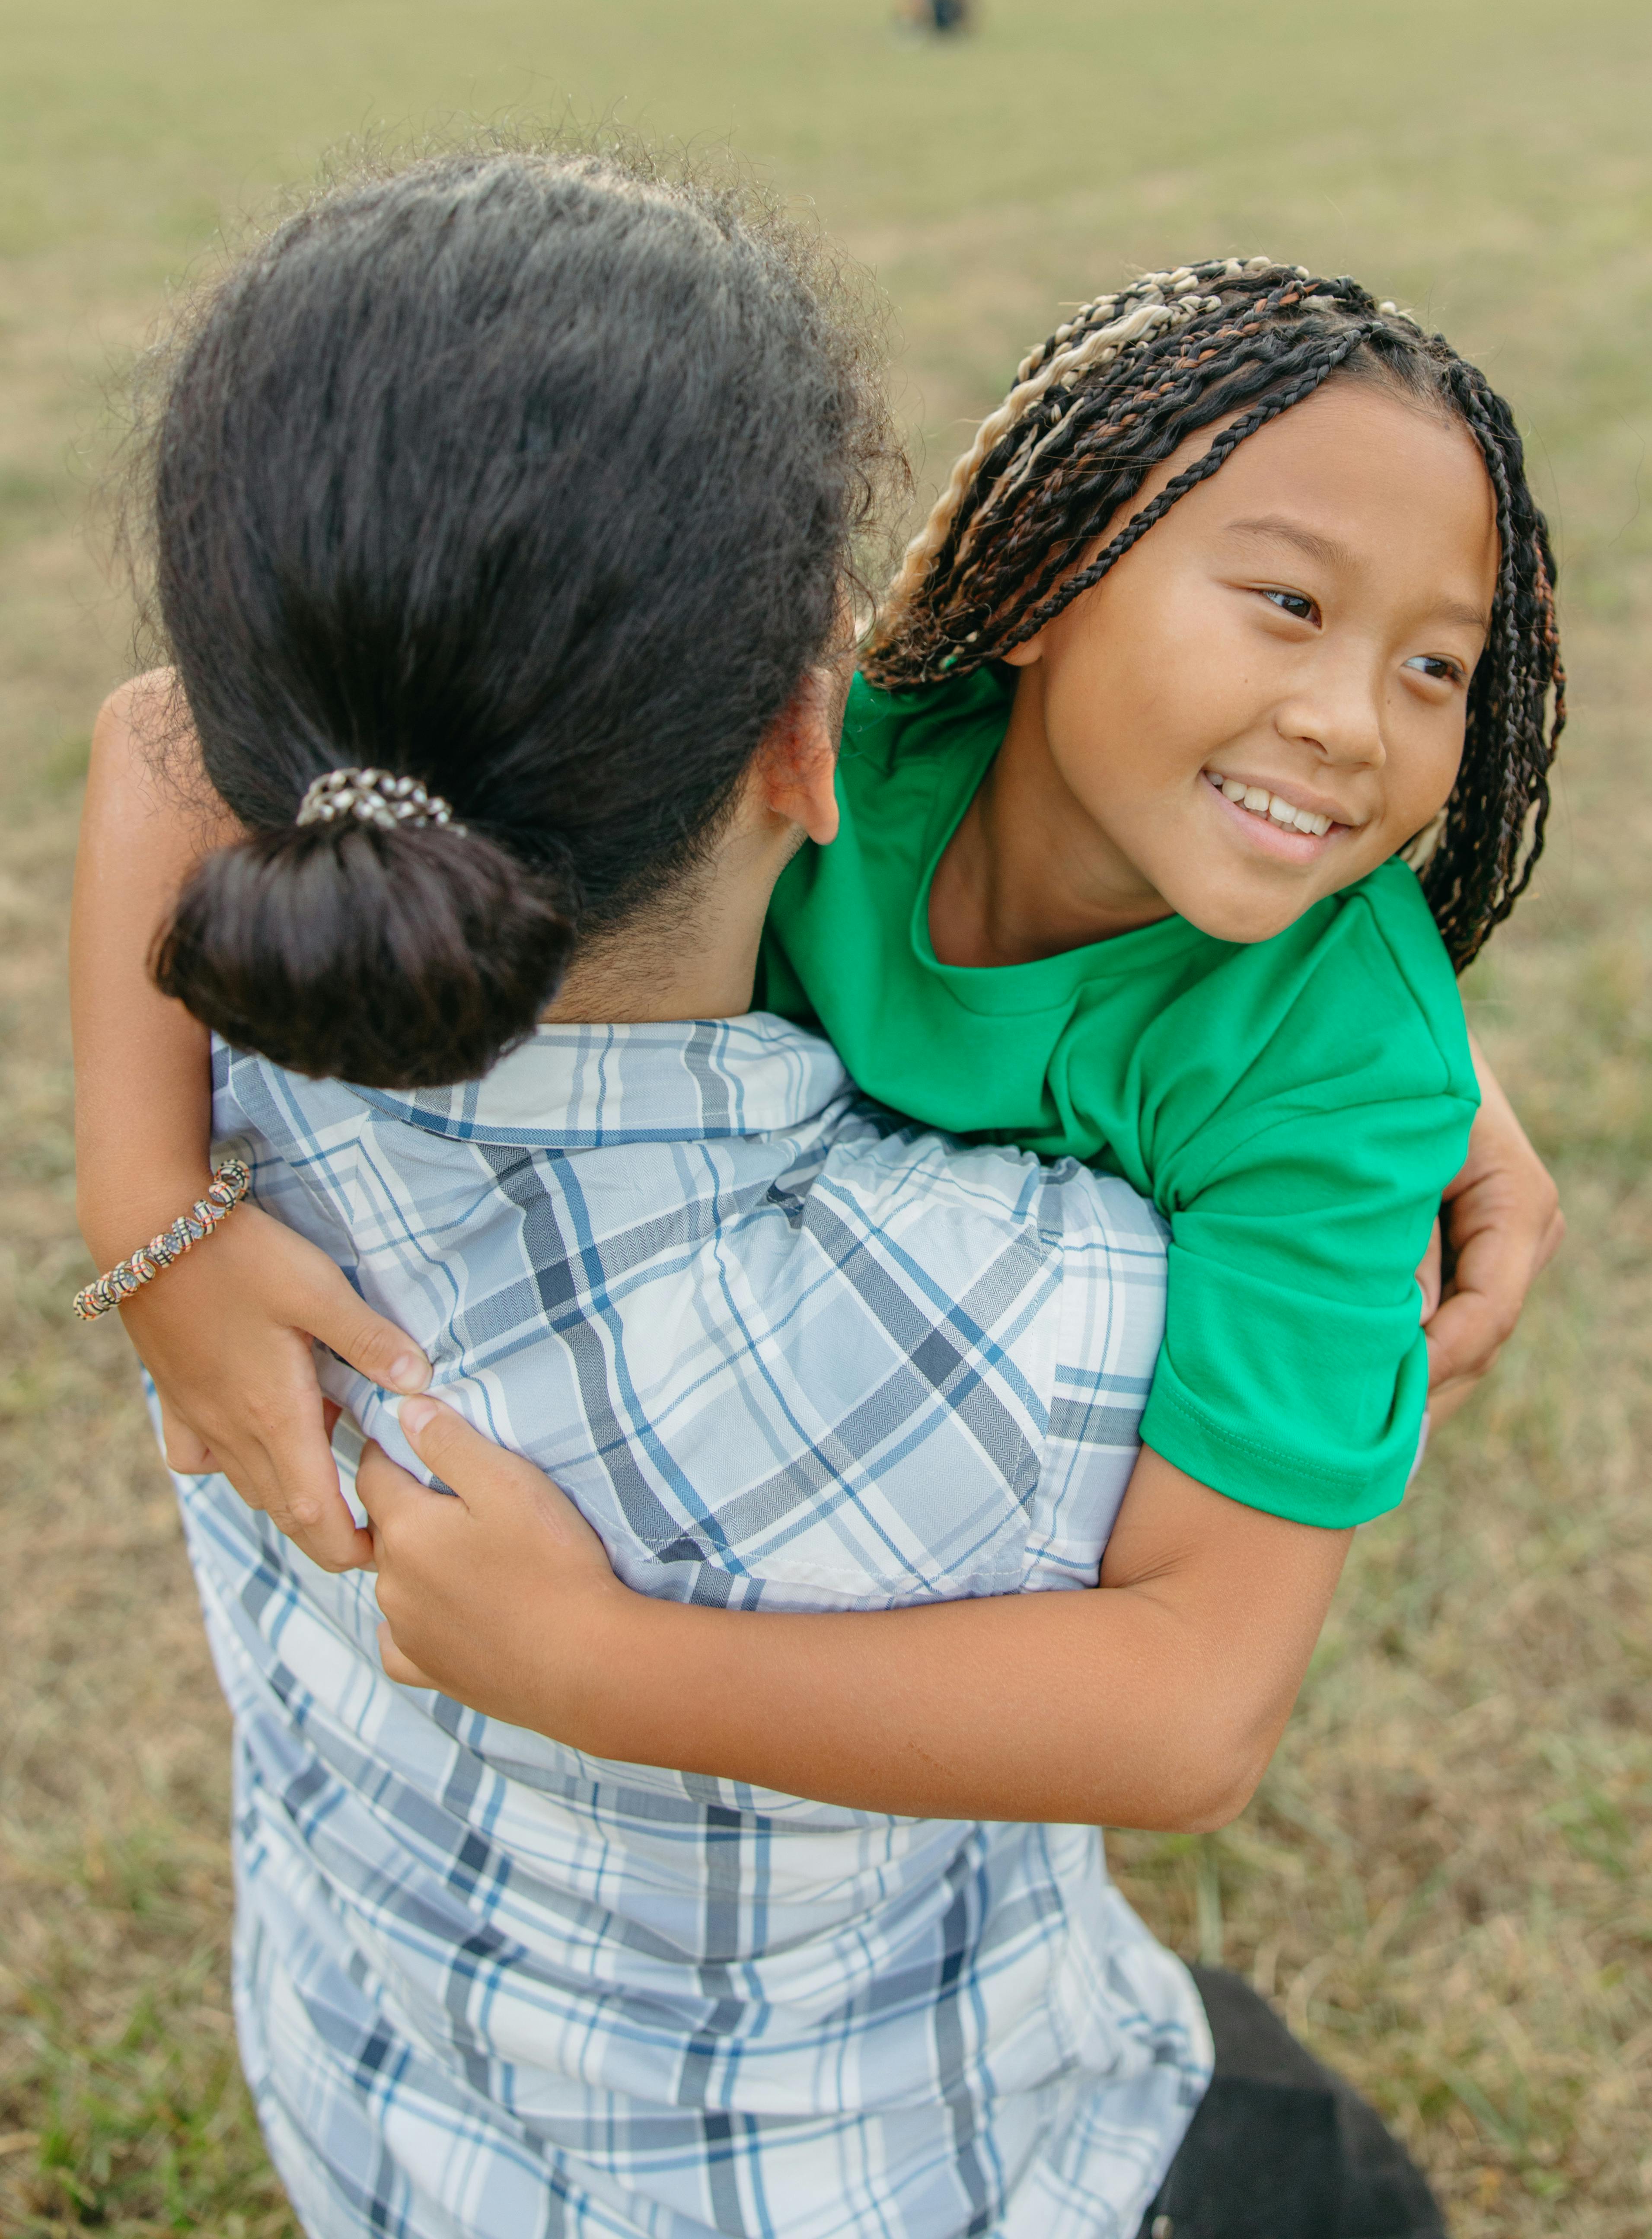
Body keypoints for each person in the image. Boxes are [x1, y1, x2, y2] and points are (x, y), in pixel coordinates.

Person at [71, 153, 1562, 2236]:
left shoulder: (1328, 1094)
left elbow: (1204, 1705)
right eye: (1290, 604)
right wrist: (147, 1222)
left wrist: (584, 1656)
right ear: (1022, 592)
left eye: (1439, 668)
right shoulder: (890, 744)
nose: (1352, 717)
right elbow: (188, 724)